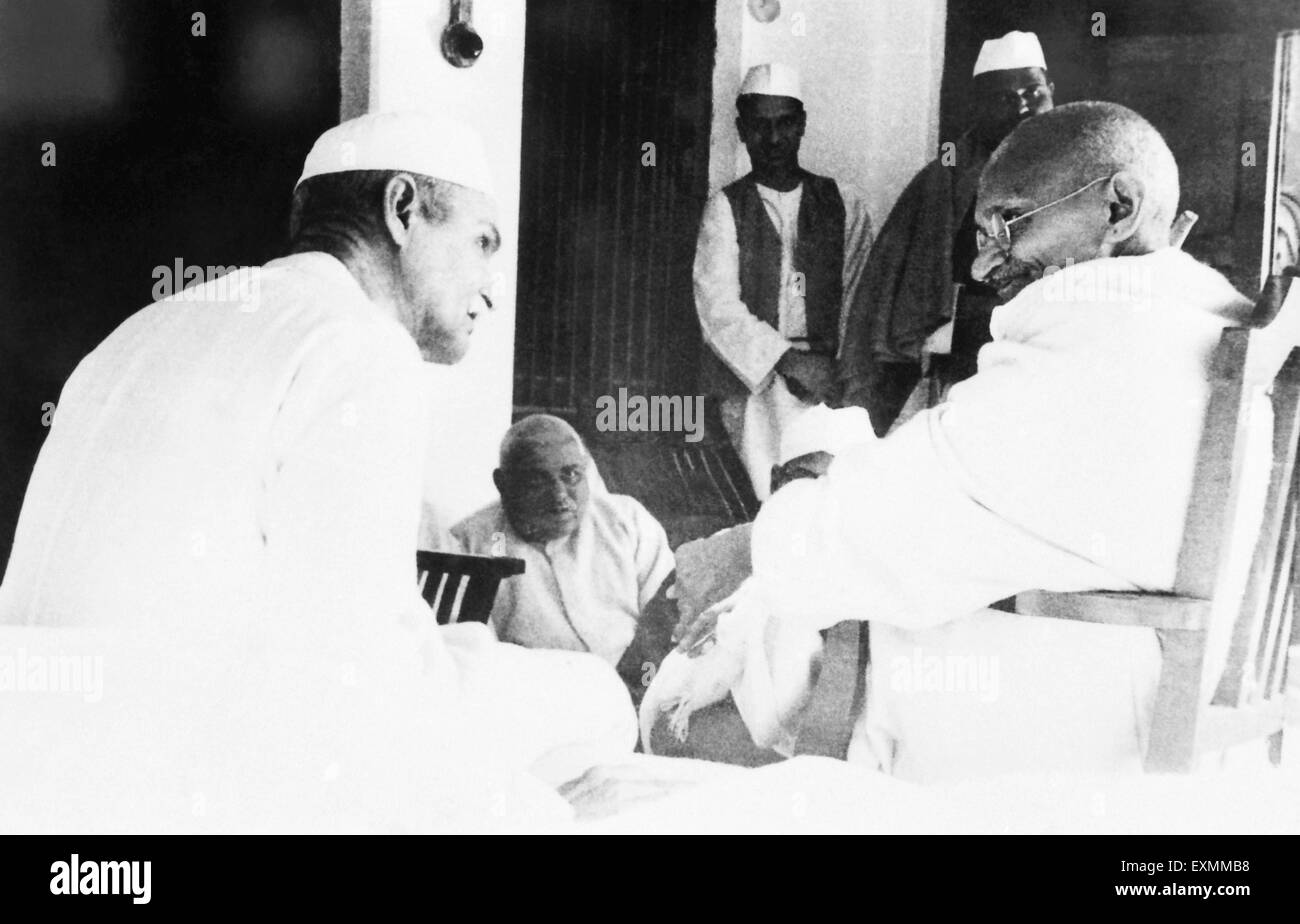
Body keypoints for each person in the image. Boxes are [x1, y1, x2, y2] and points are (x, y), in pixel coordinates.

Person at [0, 111, 635, 830]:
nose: (492, 285)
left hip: (36, 764)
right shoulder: (359, 345)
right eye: (482, 242)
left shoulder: (138, 331)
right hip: (184, 775)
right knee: (596, 698)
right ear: (402, 209)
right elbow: (352, 690)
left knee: (473, 657)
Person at [676, 102, 1259, 783]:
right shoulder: (1175, 318)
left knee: (718, 697)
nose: (985, 265)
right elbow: (965, 489)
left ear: (1119, 207)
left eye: (1009, 223)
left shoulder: (1104, 343)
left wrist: (770, 525)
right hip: (1126, 670)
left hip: (1065, 708)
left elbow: (876, 533)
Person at [838, 31, 1055, 435]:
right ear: (980, 106)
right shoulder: (945, 179)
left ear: (1051, 90)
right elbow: (906, 302)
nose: (1023, 106)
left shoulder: (1078, 168)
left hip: (1056, 345)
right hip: (970, 351)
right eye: (1005, 98)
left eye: (1033, 90)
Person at [694, 63, 873, 500]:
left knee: (835, 500)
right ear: (741, 130)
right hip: (755, 388)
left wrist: (840, 371)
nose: (773, 139)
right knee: (770, 503)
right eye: (760, 126)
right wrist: (789, 362)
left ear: (802, 124)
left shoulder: (843, 202)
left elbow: (859, 293)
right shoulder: (725, 207)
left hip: (831, 381)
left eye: (785, 124)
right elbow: (718, 308)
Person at [452, 415, 675, 669]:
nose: (558, 495)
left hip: (634, 684)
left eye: (570, 474)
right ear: (503, 484)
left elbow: (666, 616)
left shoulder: (627, 520)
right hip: (533, 692)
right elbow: (474, 655)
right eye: (536, 480)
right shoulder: (467, 545)